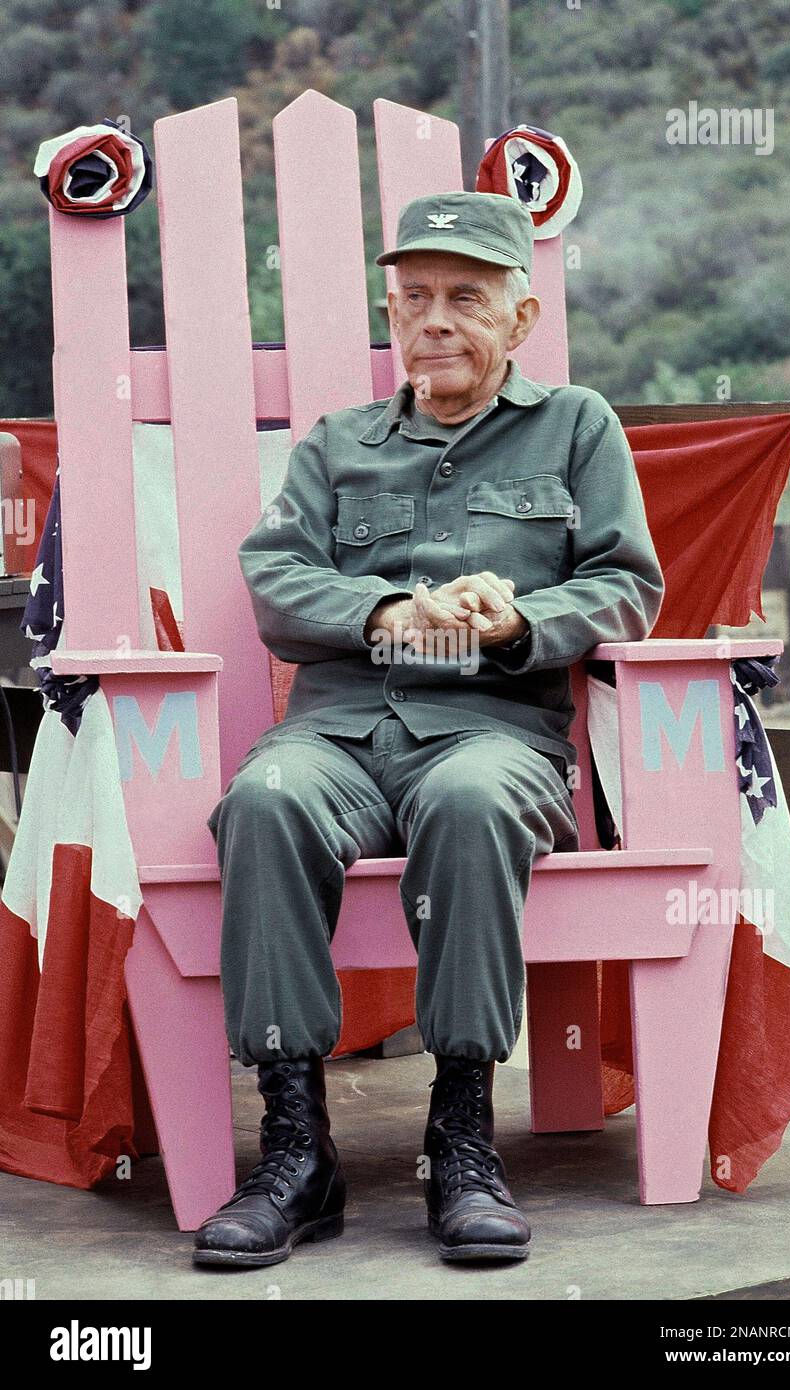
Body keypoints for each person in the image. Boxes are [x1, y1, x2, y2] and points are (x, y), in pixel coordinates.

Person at [193, 190, 665, 1268]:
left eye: (463, 297)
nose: (434, 319)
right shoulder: (339, 443)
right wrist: (382, 611)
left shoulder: (577, 424)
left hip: (494, 734)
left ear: (520, 315)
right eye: (413, 299)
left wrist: (518, 621)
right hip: (342, 732)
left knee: (466, 801)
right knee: (262, 802)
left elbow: (628, 588)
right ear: (391, 314)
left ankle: (460, 1136)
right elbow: (274, 578)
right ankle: (295, 1148)